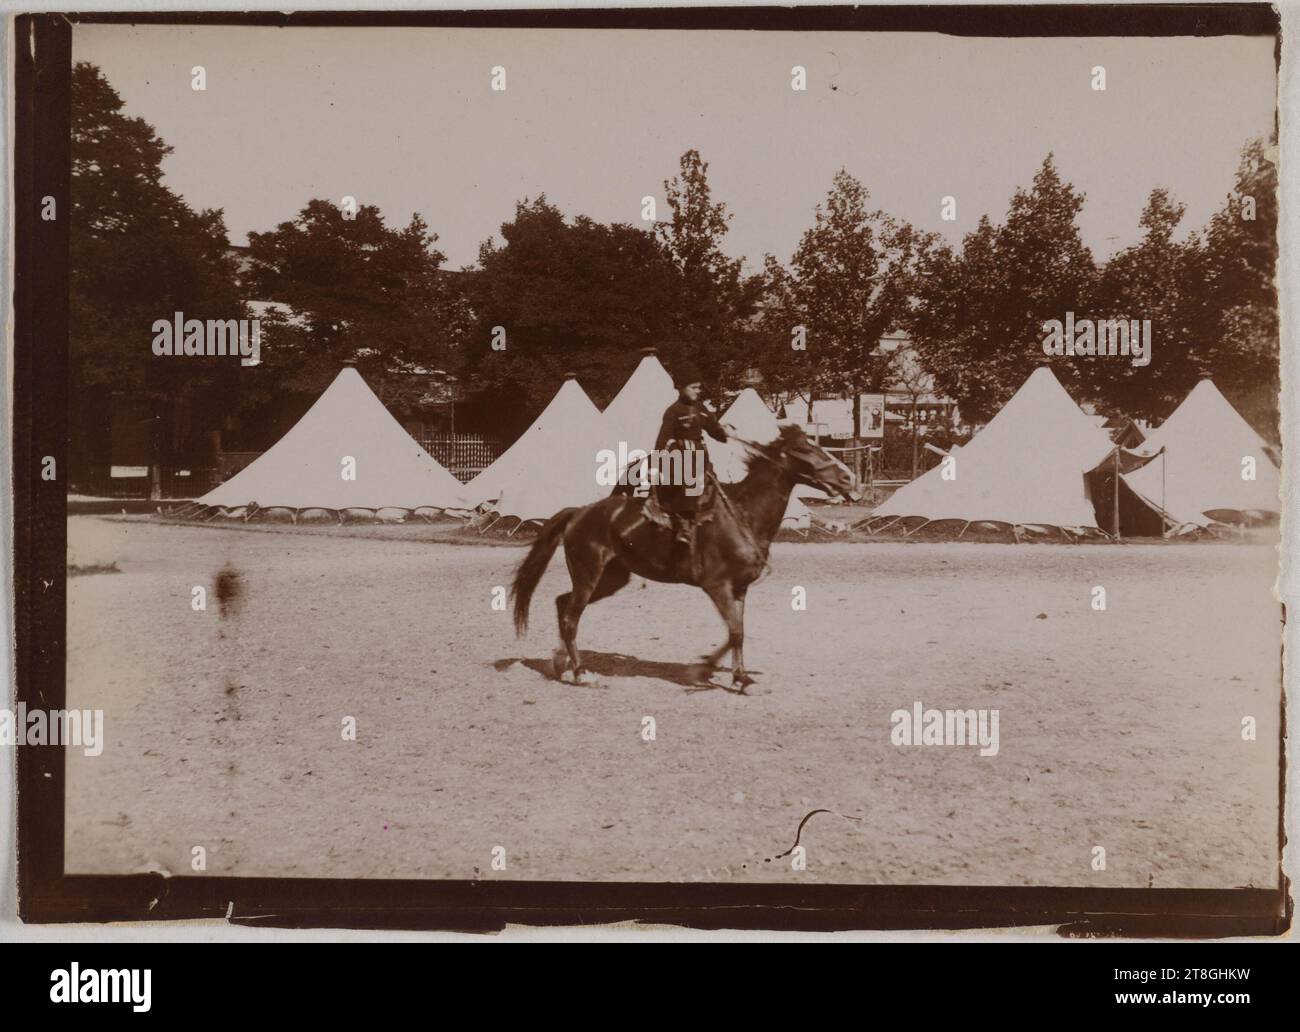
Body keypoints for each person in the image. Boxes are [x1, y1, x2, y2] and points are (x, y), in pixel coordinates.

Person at [653, 362, 729, 576]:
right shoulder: (673, 411)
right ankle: (683, 527)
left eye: (698, 387)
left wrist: (724, 433)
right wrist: (657, 460)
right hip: (681, 456)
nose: (698, 391)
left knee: (714, 489)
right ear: (680, 387)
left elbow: (713, 428)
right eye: (693, 387)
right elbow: (663, 438)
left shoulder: (701, 409)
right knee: (688, 487)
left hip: (701, 456)